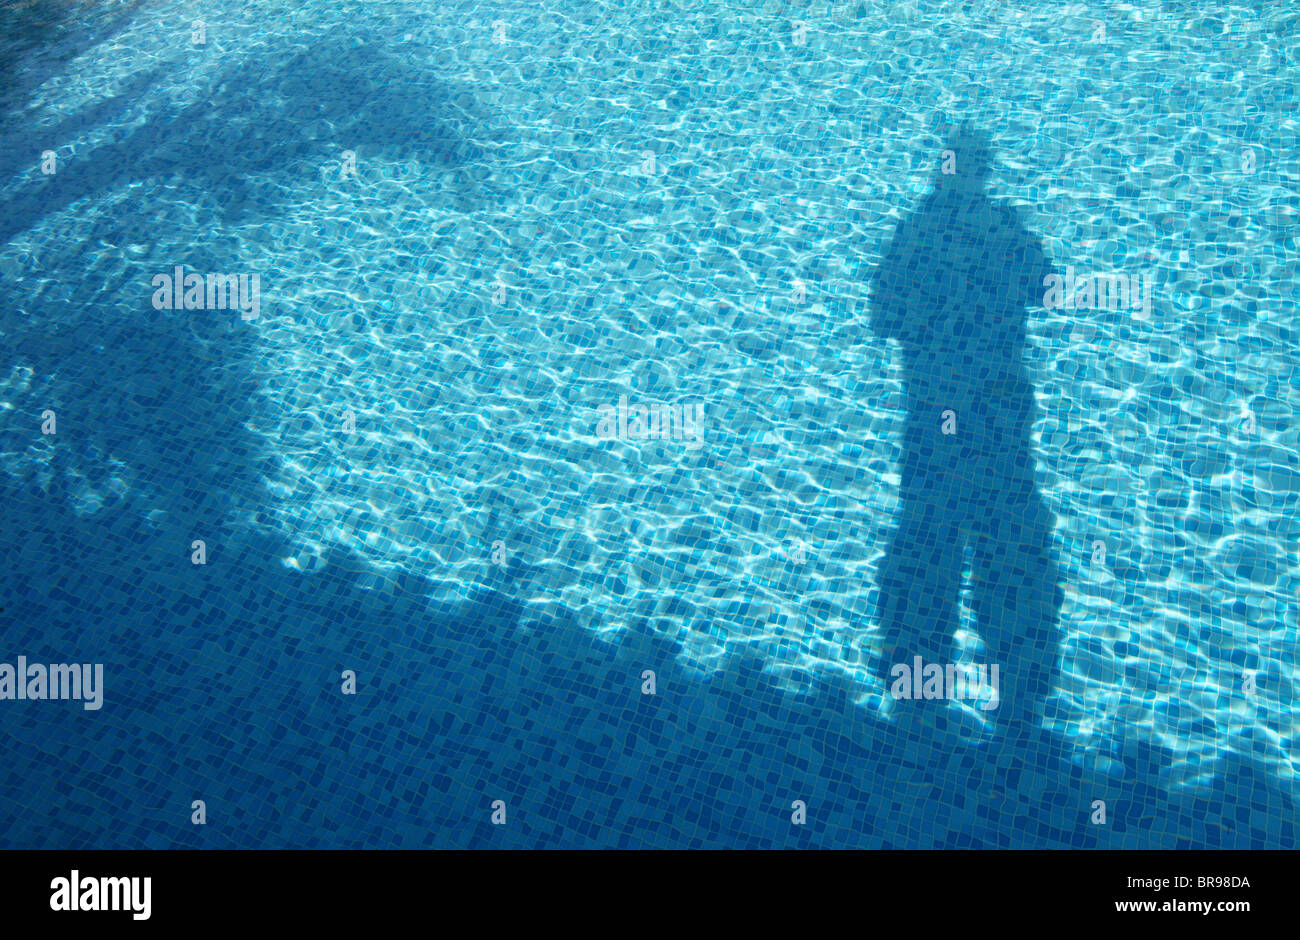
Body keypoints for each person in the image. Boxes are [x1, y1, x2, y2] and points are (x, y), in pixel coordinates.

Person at [869, 123, 1063, 735]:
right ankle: (1020, 704)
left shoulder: (916, 234)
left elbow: (882, 315)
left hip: (934, 420)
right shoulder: (1004, 231)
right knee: (1010, 555)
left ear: (941, 169)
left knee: (926, 549)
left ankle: (916, 701)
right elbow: (1048, 287)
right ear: (983, 172)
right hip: (1000, 419)